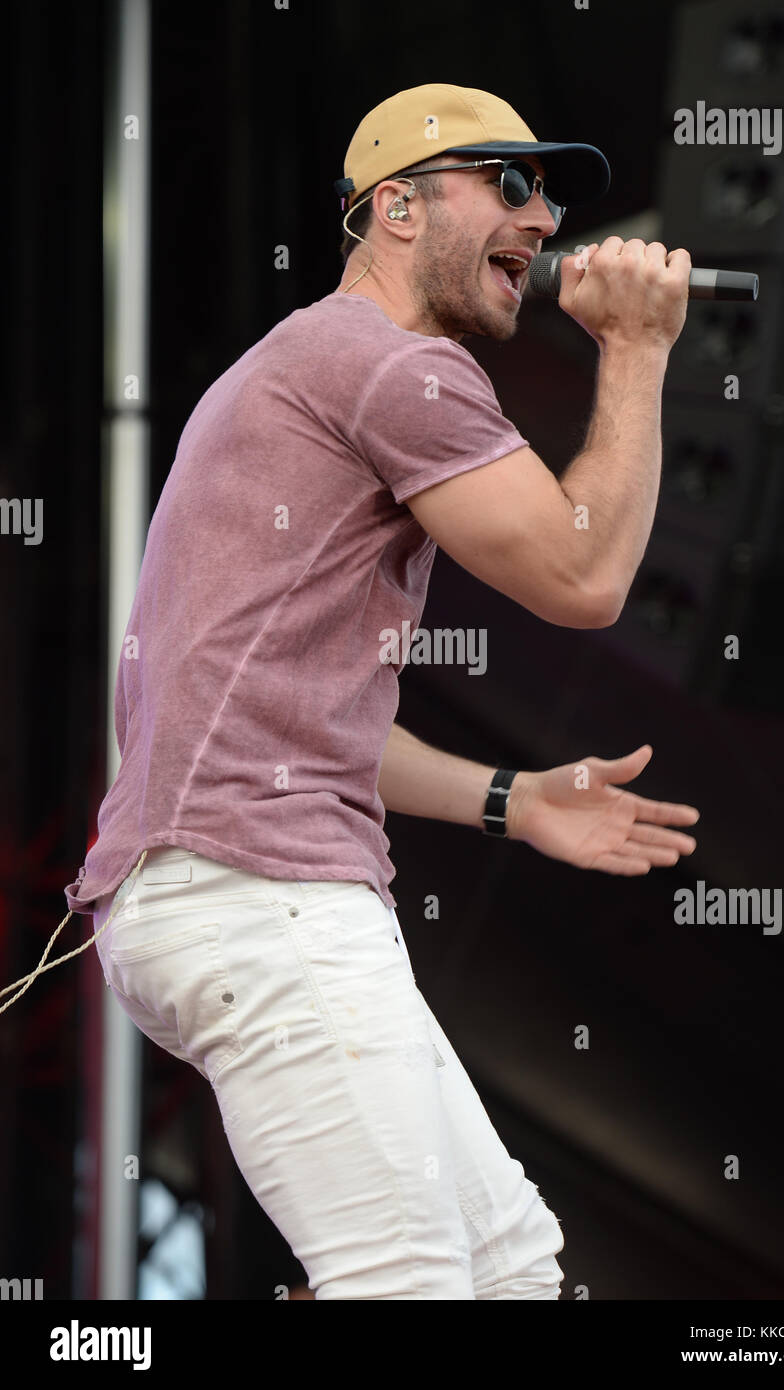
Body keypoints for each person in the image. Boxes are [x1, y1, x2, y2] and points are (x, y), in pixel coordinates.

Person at [65, 83, 698, 1299]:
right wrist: (636, 349)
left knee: (510, 1271)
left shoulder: (301, 363)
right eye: (509, 182)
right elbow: (582, 571)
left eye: (549, 188)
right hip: (264, 892)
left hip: (230, 888)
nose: (545, 211)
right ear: (397, 210)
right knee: (405, 1279)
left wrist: (511, 798)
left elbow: (296, 722)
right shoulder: (385, 363)